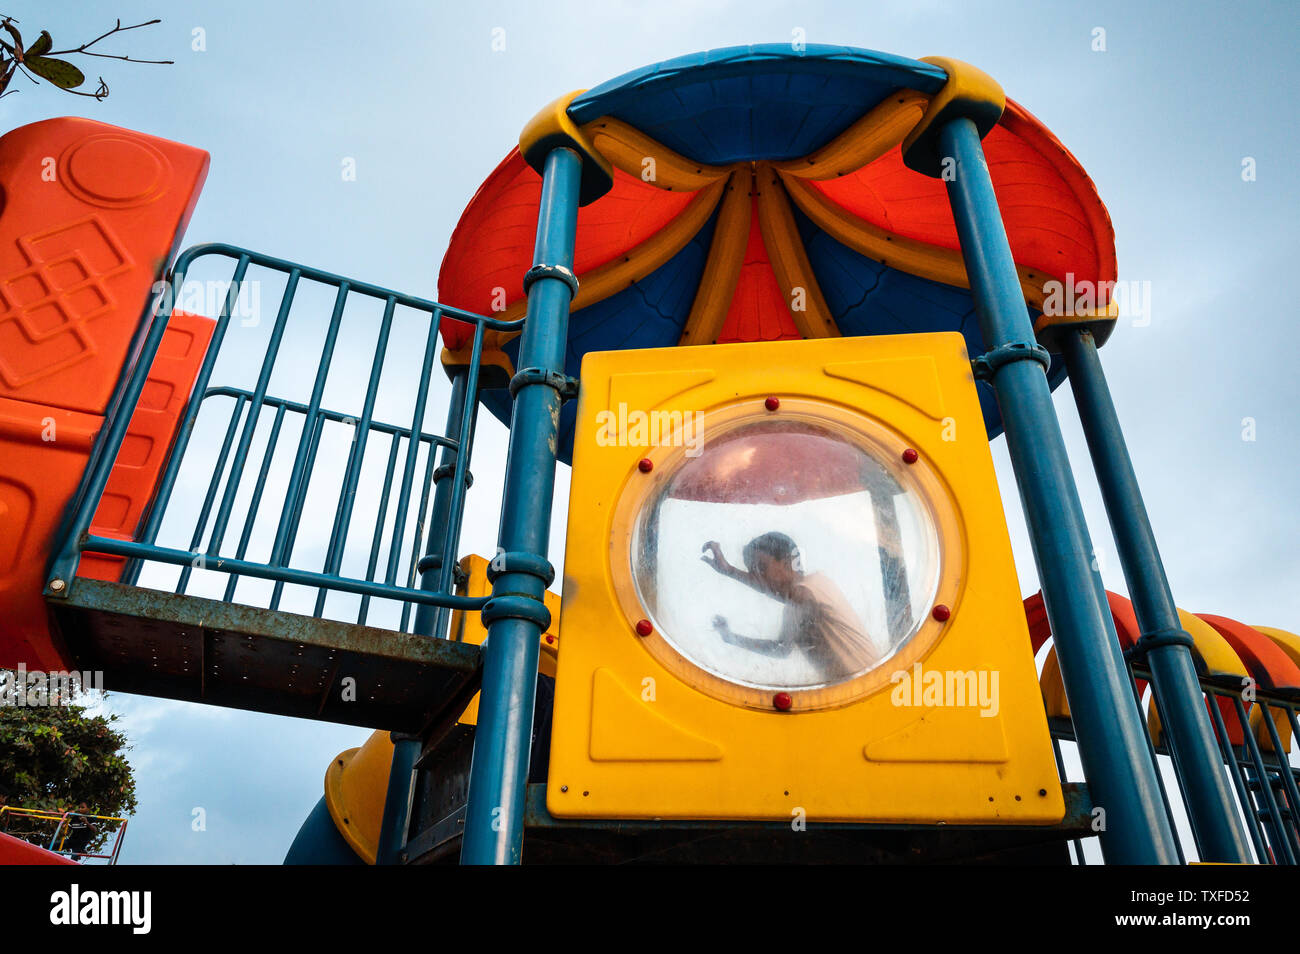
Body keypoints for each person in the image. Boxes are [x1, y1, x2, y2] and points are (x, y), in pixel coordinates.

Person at [700, 532, 880, 683]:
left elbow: (781, 649)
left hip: (863, 689)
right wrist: (729, 570)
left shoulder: (801, 594)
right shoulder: (817, 583)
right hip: (864, 685)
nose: (757, 577)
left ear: (786, 564)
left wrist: (731, 638)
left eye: (761, 568)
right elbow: (766, 587)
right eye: (752, 571)